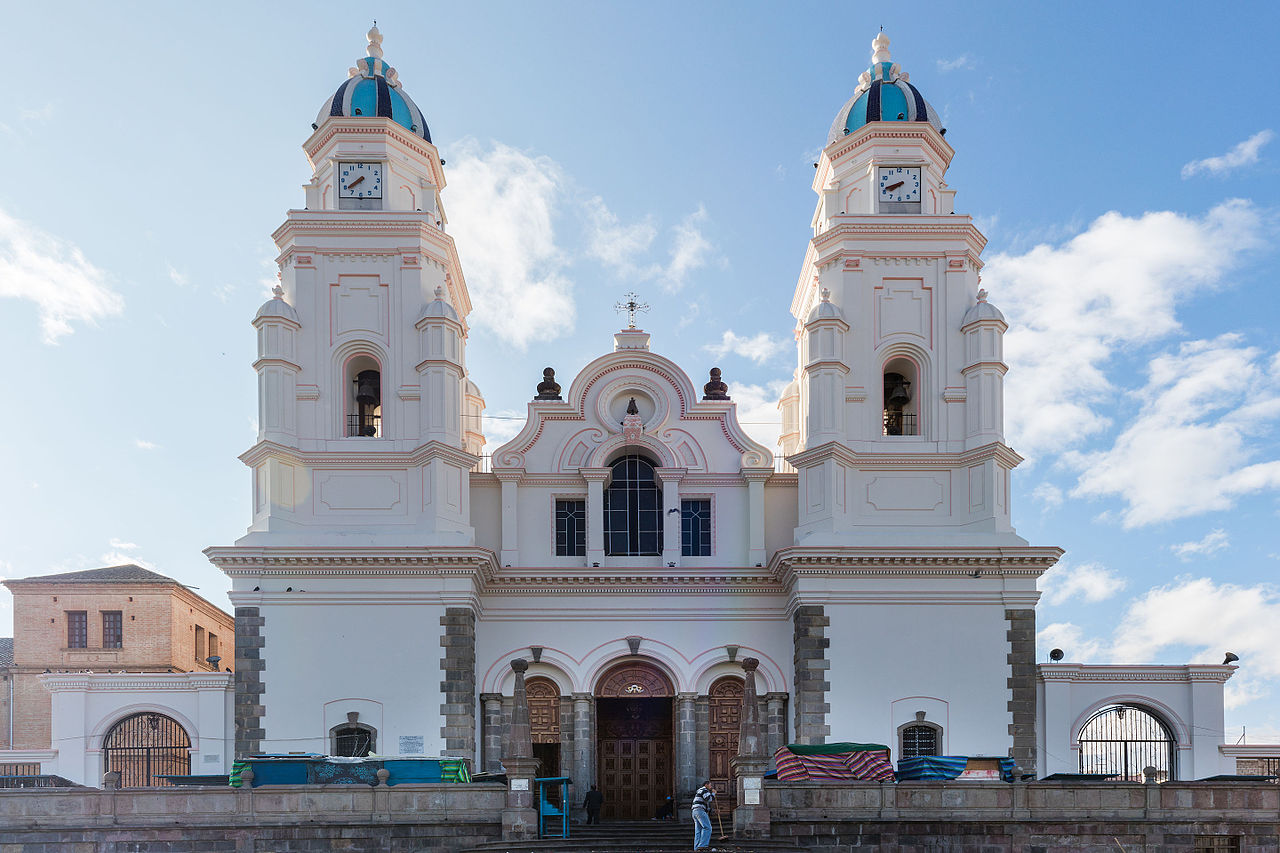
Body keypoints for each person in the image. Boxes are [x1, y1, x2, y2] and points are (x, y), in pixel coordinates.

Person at [691, 780, 716, 851]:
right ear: (706, 784)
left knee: (698, 830)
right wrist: (713, 794)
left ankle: (696, 848)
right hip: (699, 811)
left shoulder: (700, 791)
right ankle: (703, 845)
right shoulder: (704, 790)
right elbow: (708, 799)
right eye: (710, 785)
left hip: (695, 811)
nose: (711, 787)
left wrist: (713, 811)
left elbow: (705, 806)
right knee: (707, 828)